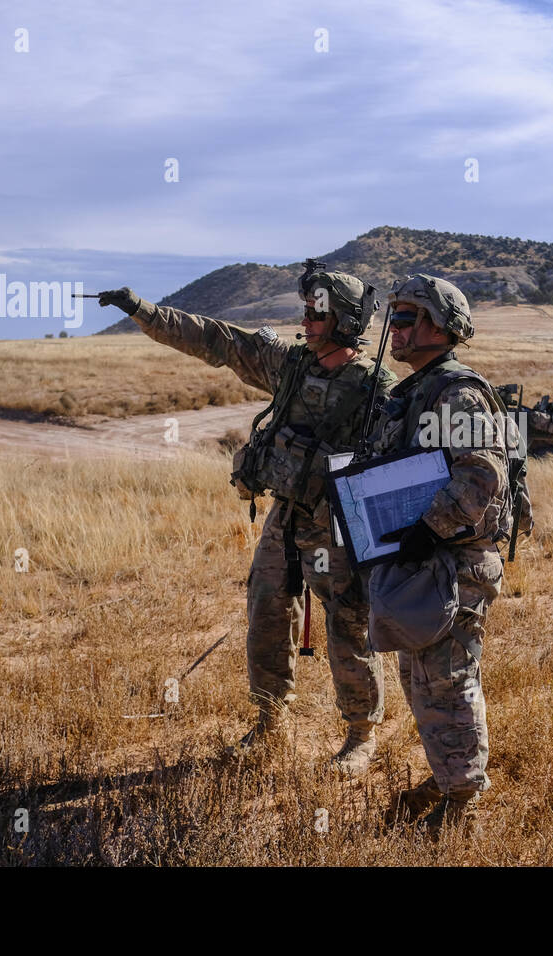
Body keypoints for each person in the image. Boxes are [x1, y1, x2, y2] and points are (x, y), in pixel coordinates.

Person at [96, 261, 394, 776]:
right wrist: (141, 310)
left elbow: (400, 466)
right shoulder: (289, 365)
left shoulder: (377, 390)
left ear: (345, 319)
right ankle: (269, 720)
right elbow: (214, 339)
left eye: (317, 310)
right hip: (284, 516)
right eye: (305, 308)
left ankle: (360, 736)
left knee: (348, 624)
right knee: (266, 613)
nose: (307, 317)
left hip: (338, 525)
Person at [366, 274, 513, 840]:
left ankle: (464, 806)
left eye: (406, 318)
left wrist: (428, 529)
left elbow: (482, 473)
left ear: (439, 327)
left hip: (455, 562)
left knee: (447, 682)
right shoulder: (416, 391)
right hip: (424, 560)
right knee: (422, 680)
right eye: (394, 317)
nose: (394, 329)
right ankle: (450, 775)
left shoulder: (457, 392)